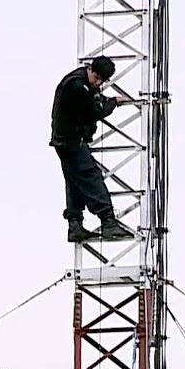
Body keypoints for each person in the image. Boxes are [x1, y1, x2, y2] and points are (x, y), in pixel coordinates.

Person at [49, 55, 136, 243]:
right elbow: (95, 110)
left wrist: (105, 100)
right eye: (96, 78)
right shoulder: (77, 86)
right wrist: (112, 102)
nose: (97, 83)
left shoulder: (79, 82)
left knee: (75, 181)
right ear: (90, 70)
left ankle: (75, 225)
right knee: (90, 177)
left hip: (65, 142)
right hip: (71, 142)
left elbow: (93, 100)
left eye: (101, 81)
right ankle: (108, 221)